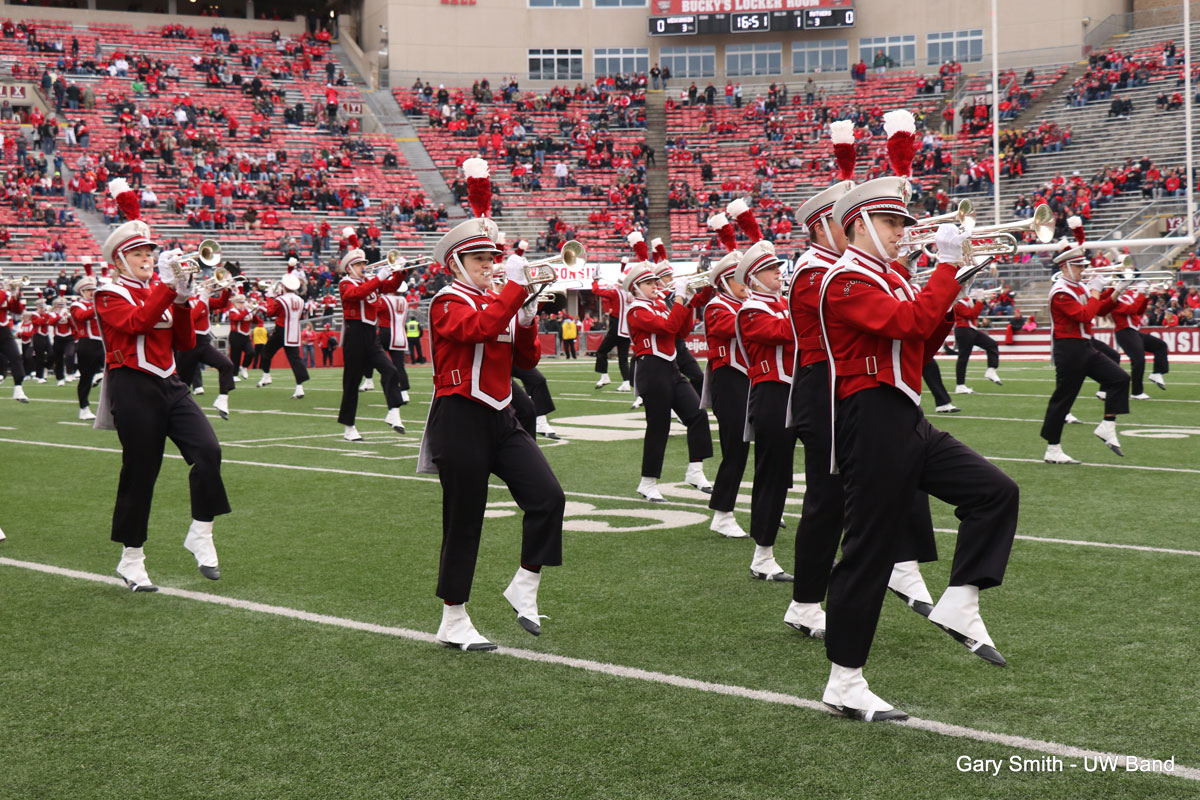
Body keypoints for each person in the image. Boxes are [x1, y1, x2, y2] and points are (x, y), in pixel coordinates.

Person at [817, 176, 1019, 720]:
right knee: (868, 550)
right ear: (858, 223)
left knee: (995, 491)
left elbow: (922, 341)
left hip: (904, 413)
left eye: (905, 223)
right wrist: (946, 271)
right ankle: (844, 681)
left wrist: (954, 286)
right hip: (869, 417)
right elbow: (906, 322)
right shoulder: (843, 280)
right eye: (891, 223)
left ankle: (960, 600)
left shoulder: (892, 277)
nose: (904, 233)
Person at [416, 159, 564, 651]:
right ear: (457, 263)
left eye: (491, 257)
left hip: (501, 413)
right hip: (459, 418)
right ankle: (453, 617)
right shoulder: (446, 301)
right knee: (465, 520)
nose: (489, 265)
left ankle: (524, 583)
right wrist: (513, 293)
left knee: (548, 497)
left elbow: (525, 358)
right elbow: (474, 330)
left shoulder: (497, 297)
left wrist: (524, 316)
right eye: (479, 259)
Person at [93, 206, 229, 592]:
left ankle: (201, 532)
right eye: (138, 254)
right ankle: (131, 558)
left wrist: (183, 301)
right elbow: (136, 323)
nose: (148, 259)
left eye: (150, 253)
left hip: (170, 383)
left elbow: (185, 343)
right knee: (140, 474)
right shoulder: (109, 291)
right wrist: (169, 290)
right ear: (120, 259)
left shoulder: (160, 290)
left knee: (208, 450)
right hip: (132, 387)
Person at [624, 261, 713, 501]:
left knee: (697, 415)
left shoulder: (661, 305)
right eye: (648, 283)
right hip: (651, 370)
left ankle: (695, 471)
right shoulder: (635, 310)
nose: (655, 285)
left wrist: (690, 300)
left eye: (655, 281)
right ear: (635, 287)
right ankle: (647, 482)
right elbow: (668, 326)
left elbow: (681, 331)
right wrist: (681, 300)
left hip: (671, 367)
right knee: (659, 426)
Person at [734, 240, 797, 582]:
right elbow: (783, 333)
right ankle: (762, 555)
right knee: (771, 476)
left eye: (777, 268)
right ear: (754, 278)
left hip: (798, 393)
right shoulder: (750, 310)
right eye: (772, 270)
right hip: (771, 395)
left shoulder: (785, 304)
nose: (779, 273)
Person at [1039, 245, 1131, 463]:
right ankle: (1053, 449)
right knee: (1063, 400)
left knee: (1119, 378)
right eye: (1079, 266)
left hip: (1085, 345)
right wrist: (1096, 290)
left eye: (1082, 265)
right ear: (1066, 266)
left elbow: (1100, 310)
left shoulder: (1079, 288)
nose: (1083, 270)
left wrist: (1118, 290)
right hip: (1069, 349)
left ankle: (1107, 426)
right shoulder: (1061, 292)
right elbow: (1084, 315)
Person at [699, 242, 750, 539]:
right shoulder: (717, 307)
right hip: (729, 382)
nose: (746, 285)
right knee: (735, 450)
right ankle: (722, 513)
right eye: (740, 279)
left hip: (751, 381)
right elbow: (738, 328)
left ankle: (770, 504)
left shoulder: (745, 305)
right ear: (725, 282)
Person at [337, 247, 405, 440]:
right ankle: (349, 427)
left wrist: (400, 270)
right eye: (359, 265)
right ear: (349, 268)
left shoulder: (369, 282)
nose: (363, 267)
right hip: (355, 334)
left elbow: (391, 287)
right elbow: (357, 294)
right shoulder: (345, 283)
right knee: (352, 382)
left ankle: (394, 412)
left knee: (390, 370)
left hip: (370, 334)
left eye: (363, 264)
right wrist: (380, 277)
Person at [174, 276, 235, 420]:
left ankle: (222, 399)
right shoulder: (181, 301)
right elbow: (191, 318)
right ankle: (175, 412)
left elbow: (221, 303)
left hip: (204, 343)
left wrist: (226, 289)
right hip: (188, 344)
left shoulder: (201, 299)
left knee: (226, 365)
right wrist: (204, 298)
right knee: (183, 384)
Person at [1111, 280, 1169, 398]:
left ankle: (1157, 372)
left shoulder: (1128, 297)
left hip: (1134, 331)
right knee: (1138, 359)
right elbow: (1130, 310)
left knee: (1160, 345)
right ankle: (1136, 392)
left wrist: (1146, 297)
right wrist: (1141, 294)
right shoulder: (1113, 301)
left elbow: (1139, 311)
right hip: (1124, 332)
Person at [257, 272, 310, 398]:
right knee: (295, 359)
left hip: (281, 329)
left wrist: (270, 297)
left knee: (266, 352)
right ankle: (299, 387)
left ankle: (266, 376)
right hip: (294, 331)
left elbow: (270, 313)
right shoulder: (301, 300)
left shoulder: (281, 299)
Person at [591, 255, 632, 391]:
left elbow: (596, 291)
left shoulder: (615, 292)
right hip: (627, 329)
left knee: (601, 352)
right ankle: (626, 382)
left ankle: (604, 376)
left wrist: (595, 280)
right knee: (623, 358)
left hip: (616, 326)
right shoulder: (631, 294)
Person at [952, 289, 1003, 393]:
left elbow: (975, 311)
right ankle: (960, 385)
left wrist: (984, 300)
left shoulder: (966, 299)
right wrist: (979, 302)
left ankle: (991, 370)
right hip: (963, 330)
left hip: (971, 330)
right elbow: (971, 315)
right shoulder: (956, 302)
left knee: (992, 344)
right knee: (963, 358)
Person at [69, 269, 103, 419]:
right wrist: (97, 306)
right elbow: (81, 317)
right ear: (81, 292)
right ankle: (84, 408)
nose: (91, 292)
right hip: (86, 343)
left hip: (103, 343)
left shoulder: (99, 304)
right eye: (88, 290)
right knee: (85, 378)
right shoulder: (77, 305)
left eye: (93, 290)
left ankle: (99, 373)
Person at [0, 274, 30, 402]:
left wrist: (14, 295)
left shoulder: (4, 294)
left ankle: (18, 389)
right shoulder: (2, 294)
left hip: (4, 330)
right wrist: (5, 291)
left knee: (16, 357)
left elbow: (17, 311)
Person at [226, 293, 257, 379]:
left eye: (243, 302)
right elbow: (237, 318)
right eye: (240, 302)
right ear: (235, 303)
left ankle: (244, 367)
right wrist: (247, 311)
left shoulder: (246, 311)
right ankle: (234, 375)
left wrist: (254, 311)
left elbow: (256, 321)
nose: (242, 304)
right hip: (236, 336)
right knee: (236, 356)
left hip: (246, 336)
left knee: (251, 352)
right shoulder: (233, 311)